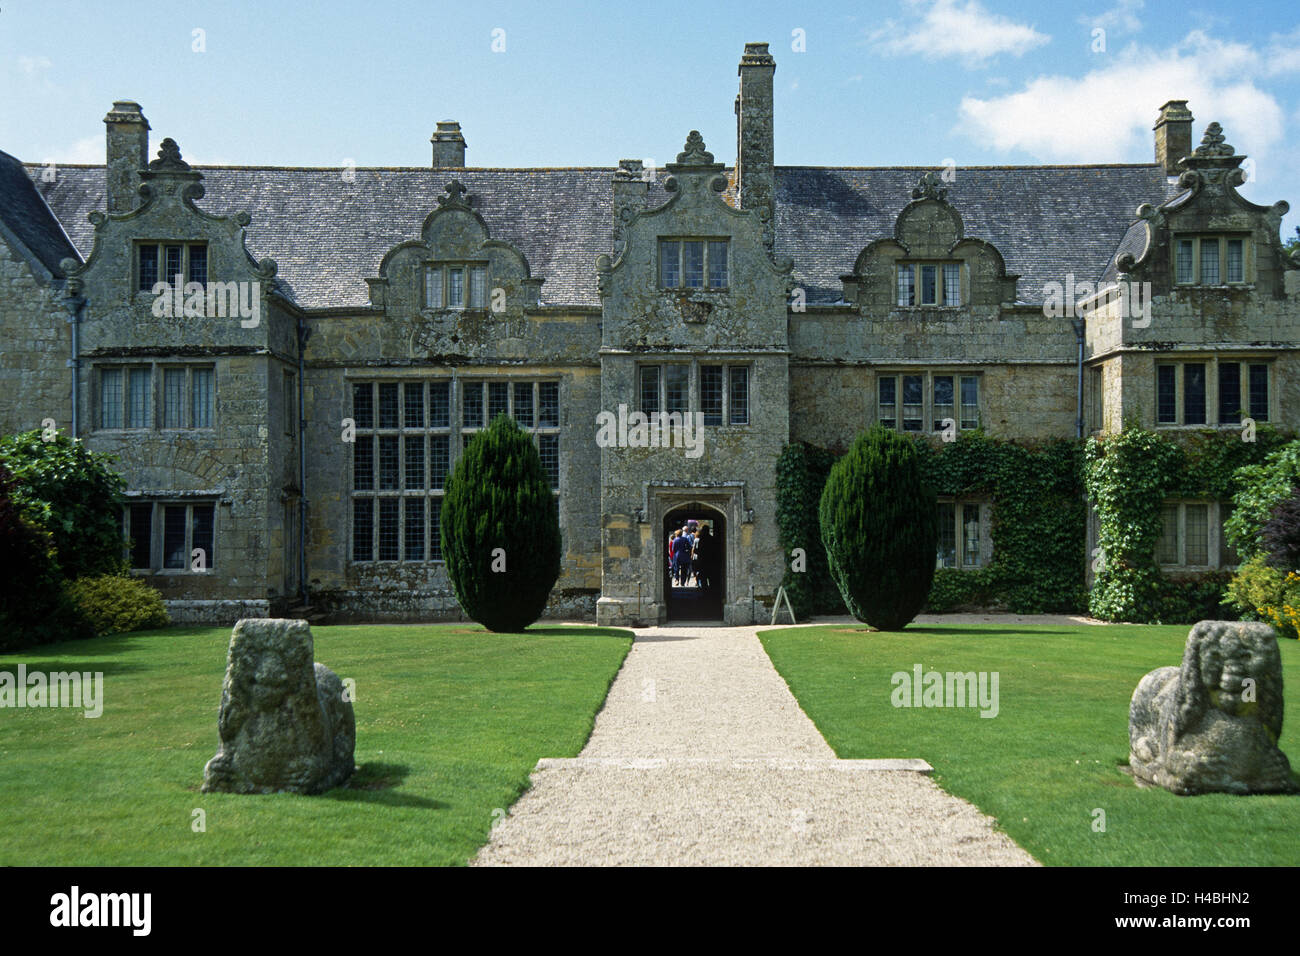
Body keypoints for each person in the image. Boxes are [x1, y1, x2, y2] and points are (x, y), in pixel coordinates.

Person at [694, 524, 714, 592]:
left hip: (703, 561)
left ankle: (705, 592)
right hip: (711, 560)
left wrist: (696, 552)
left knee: (703, 577)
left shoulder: (701, 539)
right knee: (711, 577)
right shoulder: (712, 539)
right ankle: (711, 591)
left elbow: (699, 550)